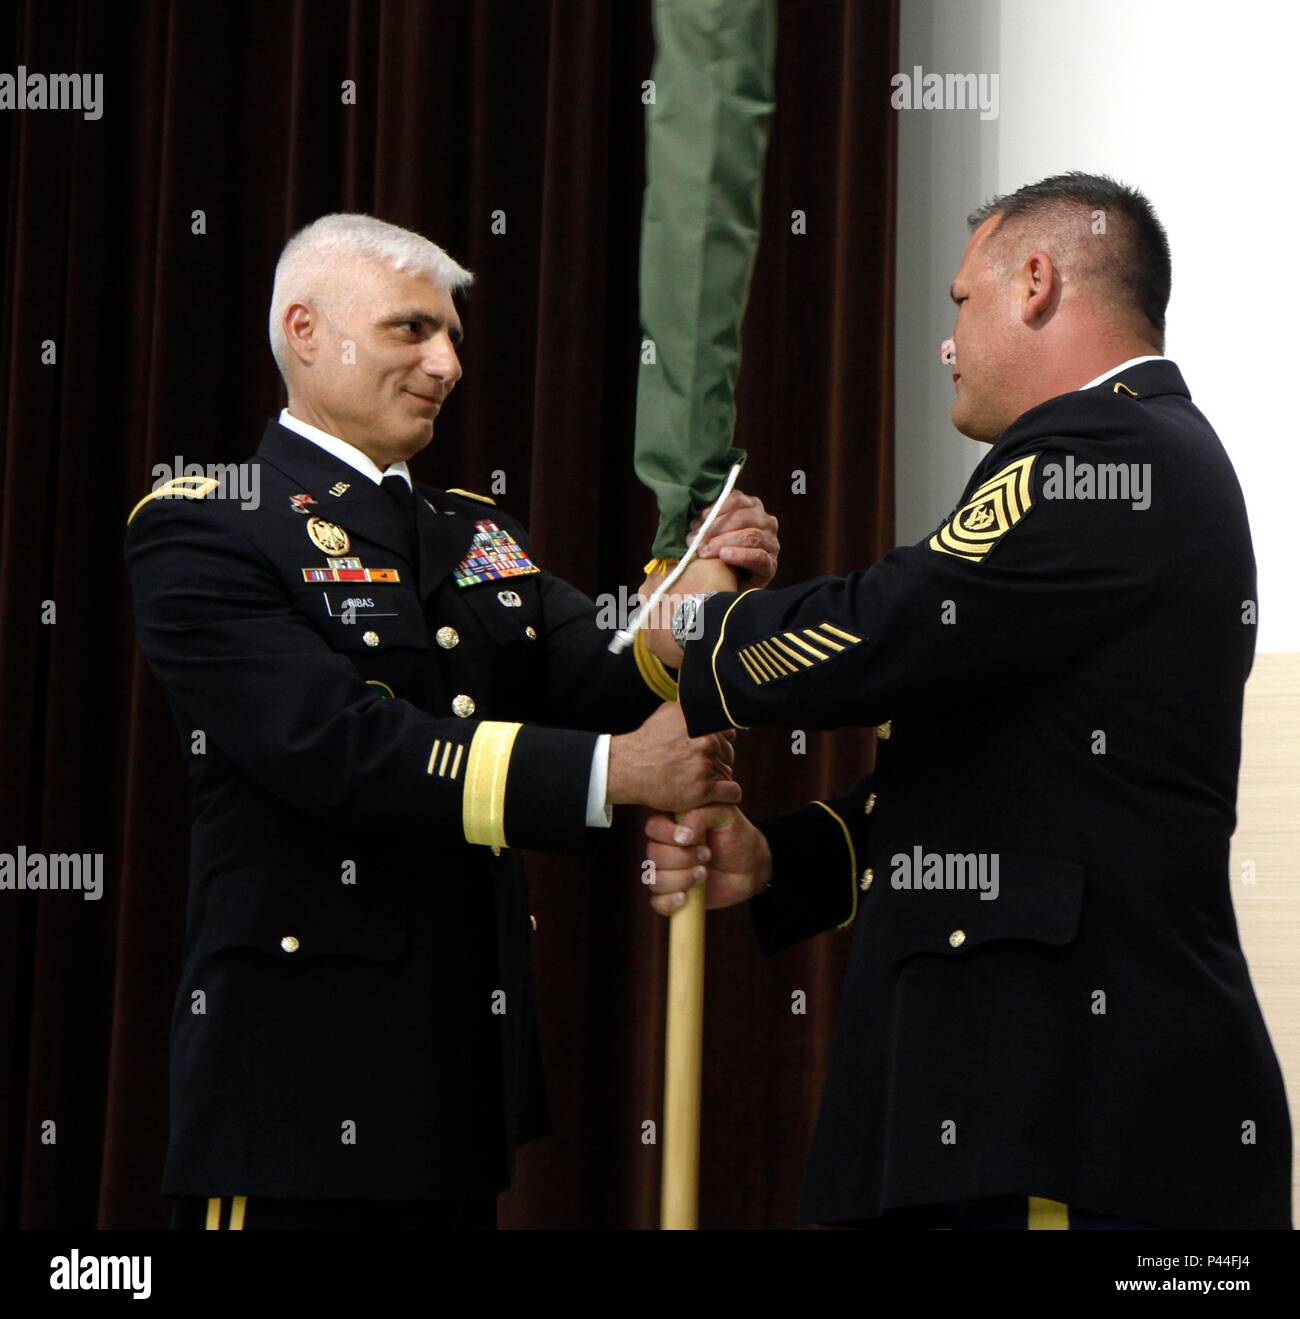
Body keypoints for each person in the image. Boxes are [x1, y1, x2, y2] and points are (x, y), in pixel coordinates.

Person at [640, 173, 1292, 1230]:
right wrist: (781, 858)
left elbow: (899, 620)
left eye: (958, 302)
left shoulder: (1106, 453)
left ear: (1034, 281)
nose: (946, 341)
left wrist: (700, 629)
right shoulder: (1146, 456)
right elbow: (993, 776)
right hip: (1044, 1111)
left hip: (1054, 1111)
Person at [124, 213, 779, 1230]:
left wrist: (691, 599)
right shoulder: (204, 520)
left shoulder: (475, 531)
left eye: (452, 337)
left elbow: (598, 668)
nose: (447, 362)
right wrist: (614, 774)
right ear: (305, 330)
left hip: (457, 1067)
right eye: (410, 330)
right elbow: (333, 746)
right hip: (300, 1075)